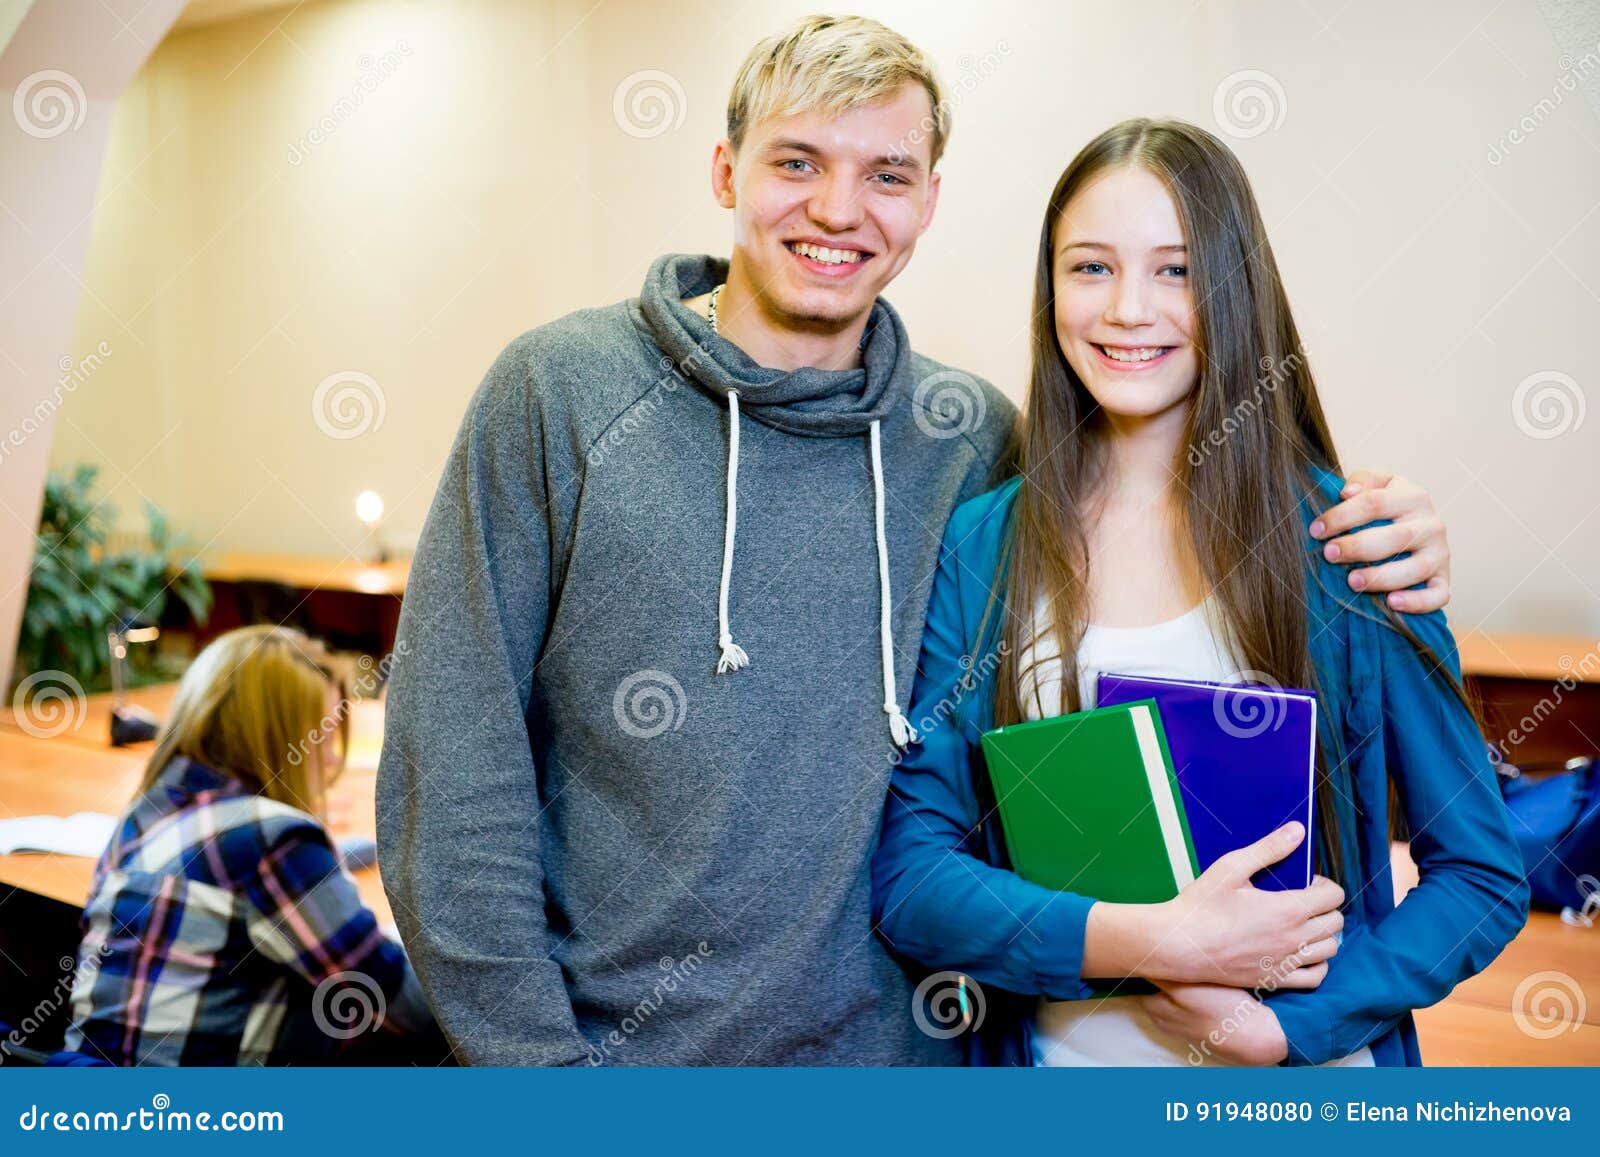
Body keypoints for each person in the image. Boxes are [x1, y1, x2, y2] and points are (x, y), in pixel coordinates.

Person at [377, 15, 1458, 1066]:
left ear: (928, 201)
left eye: (886, 174)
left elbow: (1146, 515)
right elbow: (451, 770)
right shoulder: (556, 395)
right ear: (724, 171)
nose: (838, 209)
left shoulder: (972, 441)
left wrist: (1386, 524)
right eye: (797, 161)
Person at [870, 118, 1529, 1067]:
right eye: (1091, 267)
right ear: (1050, 288)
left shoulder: (1348, 544)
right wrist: (1154, 940)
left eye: (1176, 270)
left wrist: (1287, 1028)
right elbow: (914, 877)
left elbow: (1481, 873)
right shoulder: (987, 543)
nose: (1128, 309)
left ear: (1233, 287)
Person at [66, 626, 436, 1066]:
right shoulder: (277, 842)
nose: (334, 758)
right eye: (322, 733)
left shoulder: (144, 815)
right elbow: (406, 1006)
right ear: (278, 739)